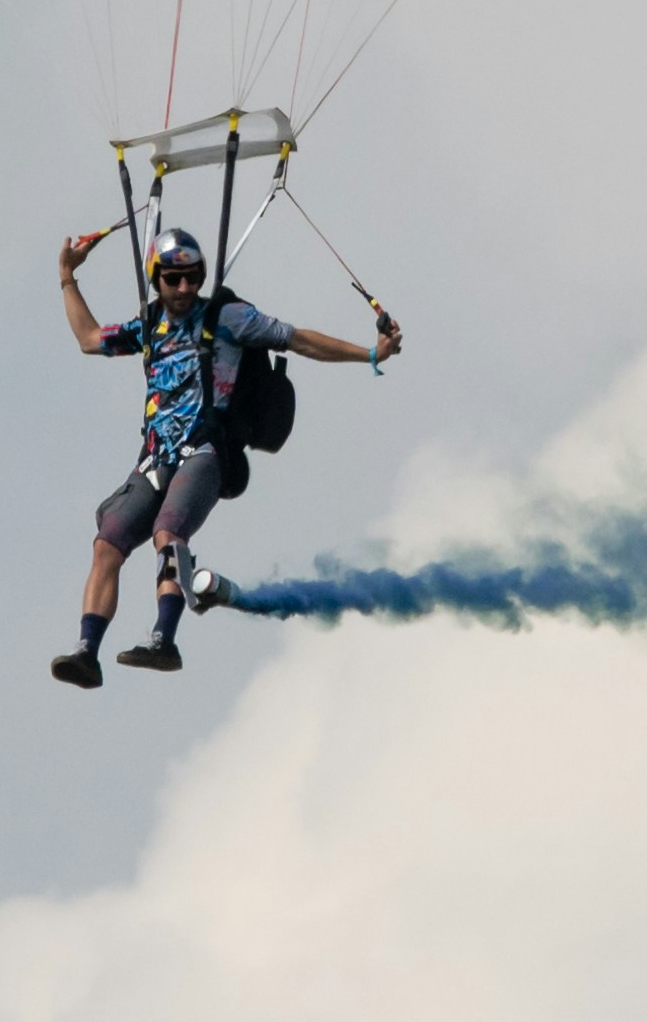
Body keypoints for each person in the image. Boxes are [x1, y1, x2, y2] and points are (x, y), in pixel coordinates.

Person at [54, 223, 395, 687]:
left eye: (193, 277)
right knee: (107, 542)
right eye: (173, 279)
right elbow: (90, 339)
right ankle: (86, 653)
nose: (184, 288)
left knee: (167, 532)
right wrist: (67, 276)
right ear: (155, 278)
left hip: (205, 451)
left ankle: (164, 641)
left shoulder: (228, 318)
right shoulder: (149, 326)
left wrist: (370, 354)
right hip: (155, 459)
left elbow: (298, 340)